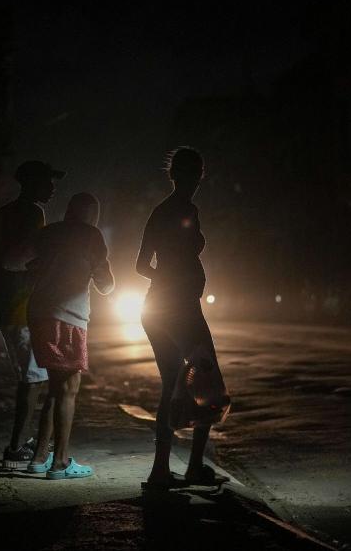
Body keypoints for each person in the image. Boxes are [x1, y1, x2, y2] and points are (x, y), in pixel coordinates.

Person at [135, 146, 228, 488]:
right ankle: (191, 468)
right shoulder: (184, 209)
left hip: (158, 308)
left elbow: (141, 264)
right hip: (180, 309)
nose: (195, 181)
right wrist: (174, 280)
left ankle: (161, 470)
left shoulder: (161, 211)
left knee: (173, 384)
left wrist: (164, 280)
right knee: (207, 383)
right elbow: (148, 265)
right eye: (193, 174)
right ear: (182, 176)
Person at [0, 160, 64, 469]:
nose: (53, 188)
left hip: (6, 306)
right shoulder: (33, 213)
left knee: (31, 377)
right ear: (32, 184)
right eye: (48, 182)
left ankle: (21, 440)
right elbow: (34, 256)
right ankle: (16, 447)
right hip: (23, 308)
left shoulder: (3, 213)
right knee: (34, 379)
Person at [26, 193, 115, 479]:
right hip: (69, 317)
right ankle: (60, 462)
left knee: (54, 387)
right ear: (92, 216)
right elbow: (106, 284)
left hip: (38, 313)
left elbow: (17, 260)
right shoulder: (91, 235)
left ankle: (39, 457)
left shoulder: (48, 232)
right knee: (69, 389)